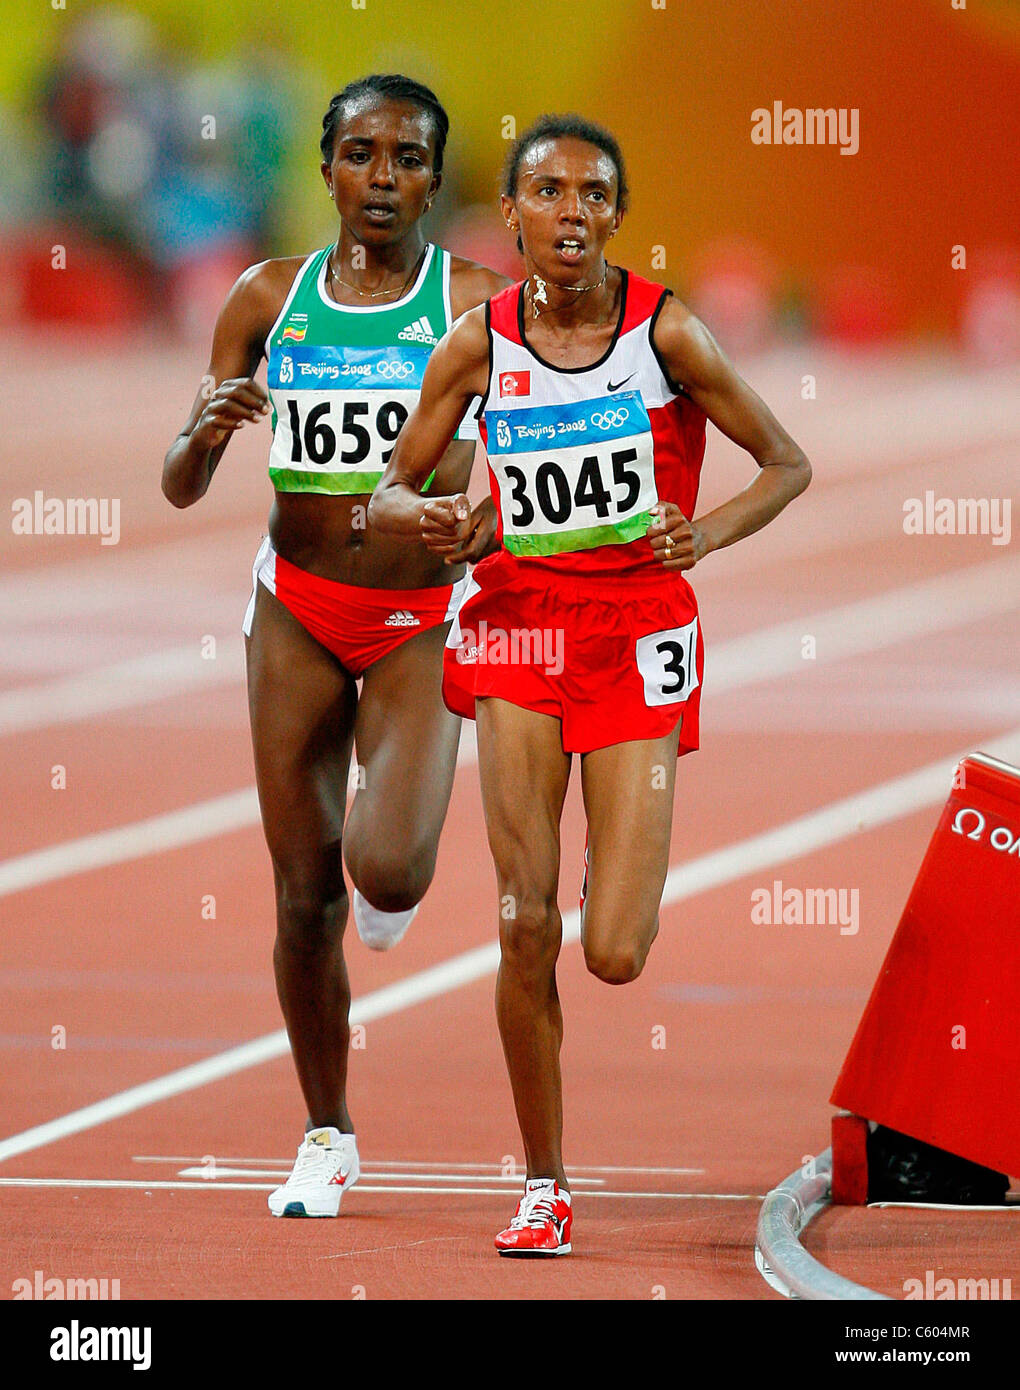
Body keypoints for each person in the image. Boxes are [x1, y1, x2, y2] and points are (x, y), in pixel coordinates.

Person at [369, 114, 812, 1256]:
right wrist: (442, 523)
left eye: (593, 194)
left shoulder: (671, 335)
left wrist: (700, 537)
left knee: (611, 945)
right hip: (517, 634)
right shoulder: (477, 342)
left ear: (618, 214)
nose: (571, 212)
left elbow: (788, 463)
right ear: (508, 216)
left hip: (637, 634)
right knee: (525, 924)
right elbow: (388, 495)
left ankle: (604, 915)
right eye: (548, 191)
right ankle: (545, 1183)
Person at [162, 74, 508, 1217]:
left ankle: (391, 851)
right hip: (297, 609)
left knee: (388, 871)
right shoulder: (269, 296)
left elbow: (540, 470)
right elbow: (180, 484)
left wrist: (485, 521)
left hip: (419, 616)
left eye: (408, 159)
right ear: (326, 170)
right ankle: (326, 1130)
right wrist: (199, 434)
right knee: (301, 895)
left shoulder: (473, 305)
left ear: (435, 179)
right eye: (362, 155)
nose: (383, 178)